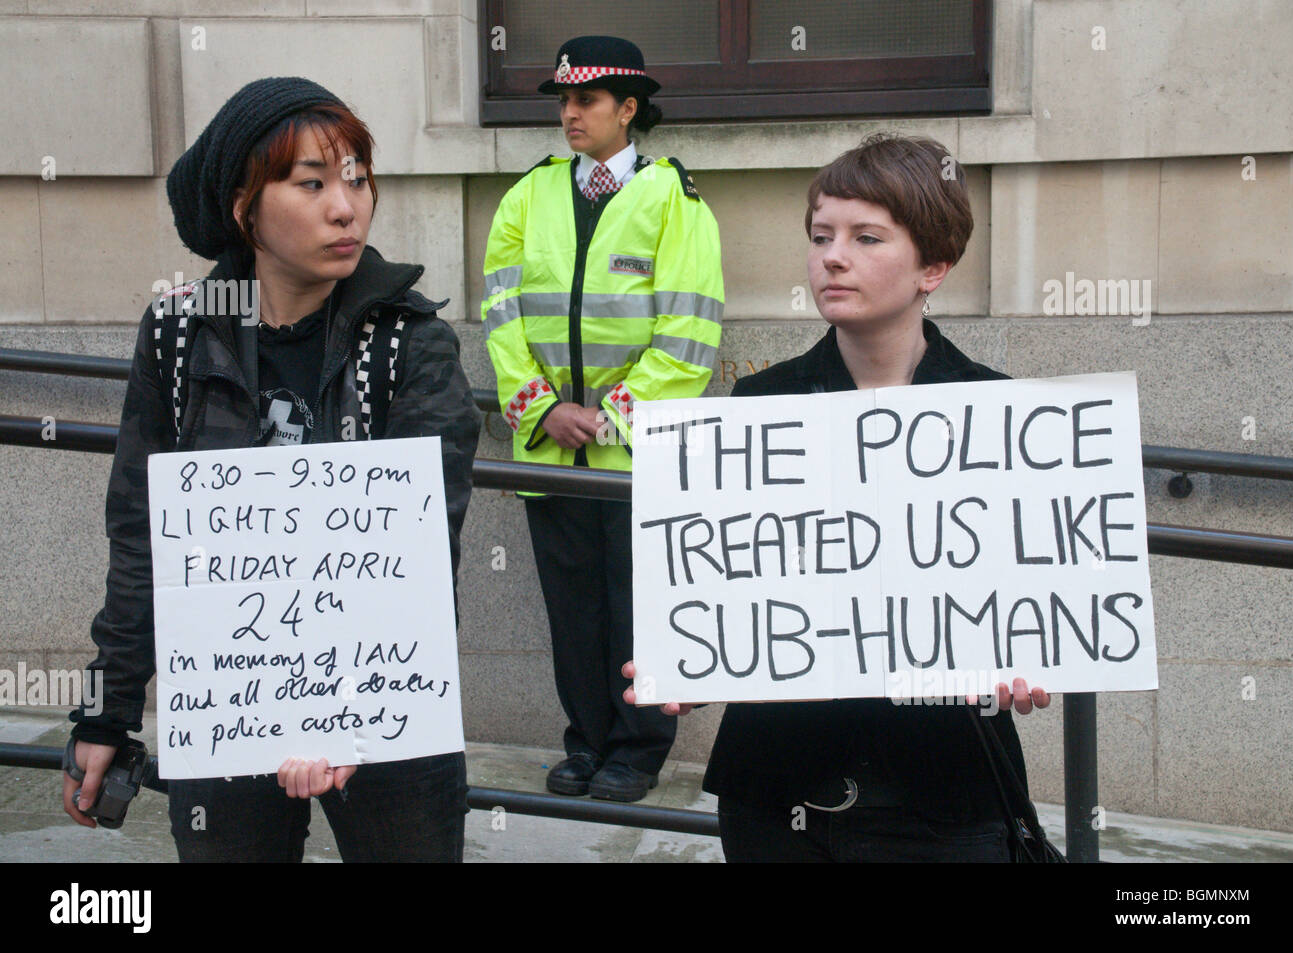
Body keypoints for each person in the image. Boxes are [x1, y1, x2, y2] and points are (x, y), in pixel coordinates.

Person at [62, 77, 481, 862]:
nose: (345, 205)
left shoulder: (407, 341)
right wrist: (104, 708)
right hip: (228, 703)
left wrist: (349, 712)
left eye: (356, 177)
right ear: (244, 206)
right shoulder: (178, 337)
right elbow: (141, 534)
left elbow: (420, 552)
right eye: (312, 182)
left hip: (384, 715)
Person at [625, 133, 1050, 861]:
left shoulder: (998, 414)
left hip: (945, 797)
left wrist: (1033, 653)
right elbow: (731, 586)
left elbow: (1034, 597)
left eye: (866, 236)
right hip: (778, 796)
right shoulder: (758, 404)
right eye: (821, 235)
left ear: (934, 266)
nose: (832, 255)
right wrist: (698, 658)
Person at [482, 36, 724, 802]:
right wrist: (545, 410)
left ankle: (638, 750)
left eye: (585, 100)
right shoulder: (528, 196)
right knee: (573, 613)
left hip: (634, 459)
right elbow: (500, 311)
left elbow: (689, 337)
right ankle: (585, 742)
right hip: (549, 453)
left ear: (628, 109)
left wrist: (611, 421)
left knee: (639, 613)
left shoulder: (675, 200)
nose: (570, 113)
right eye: (563, 100)